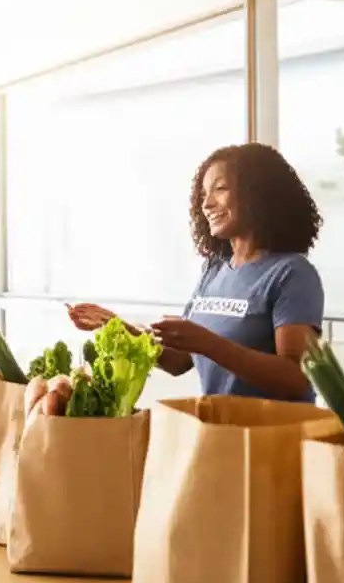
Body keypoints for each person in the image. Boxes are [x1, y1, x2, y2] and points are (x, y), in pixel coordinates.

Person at [68, 142, 324, 402]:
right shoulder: (214, 270)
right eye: (203, 194)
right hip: (220, 430)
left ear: (258, 193)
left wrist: (207, 342)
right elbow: (178, 361)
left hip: (273, 436)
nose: (207, 204)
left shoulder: (292, 273)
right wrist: (116, 327)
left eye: (220, 189)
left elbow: (295, 378)